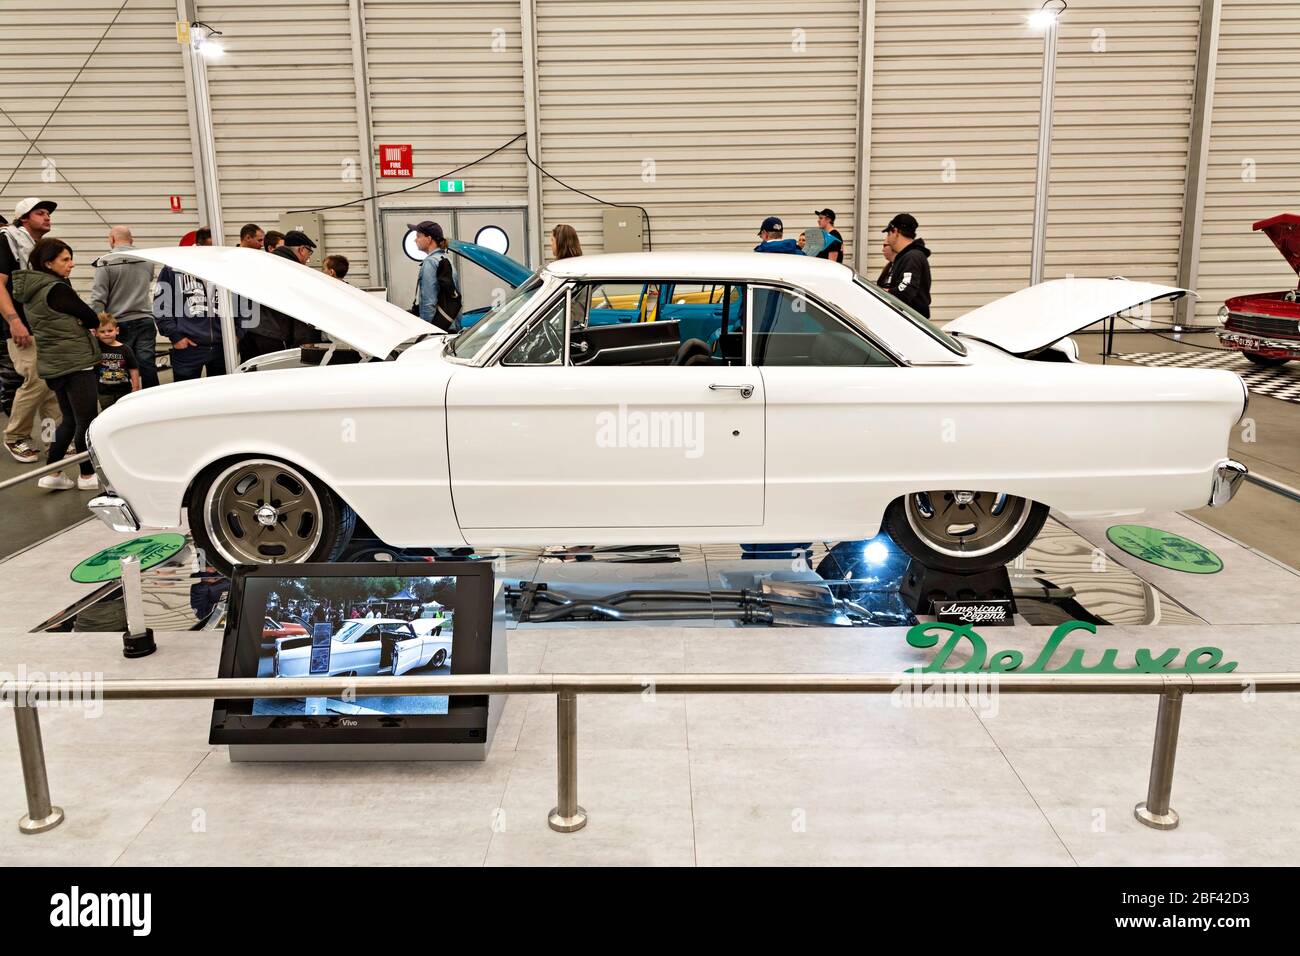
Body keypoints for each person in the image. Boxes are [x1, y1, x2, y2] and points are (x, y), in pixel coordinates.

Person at [11, 237, 101, 490]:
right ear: (48, 263)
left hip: (54, 362)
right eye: (65, 259)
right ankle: (86, 475)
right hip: (75, 360)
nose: (71, 264)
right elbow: (91, 317)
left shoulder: (31, 291)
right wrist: (84, 322)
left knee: (69, 420)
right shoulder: (57, 289)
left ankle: (53, 473)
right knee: (86, 420)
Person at [1, 197, 61, 463]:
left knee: (52, 383)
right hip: (21, 326)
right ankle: (15, 436)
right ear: (24, 218)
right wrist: (14, 320)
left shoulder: (39, 247)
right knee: (36, 378)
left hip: (43, 324)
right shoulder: (7, 240)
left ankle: (53, 441)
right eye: (40, 213)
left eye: (48, 213)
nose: (47, 217)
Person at [88, 226, 158, 388]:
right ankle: (154, 402)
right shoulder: (146, 261)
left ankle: (125, 401)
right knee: (147, 364)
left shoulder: (106, 262)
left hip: (119, 323)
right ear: (131, 240)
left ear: (112, 240)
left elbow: (99, 298)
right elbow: (146, 282)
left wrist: (95, 325)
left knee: (120, 366)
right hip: (145, 320)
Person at [155, 242, 226, 381]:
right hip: (187, 348)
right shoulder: (172, 269)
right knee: (185, 396)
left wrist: (238, 333)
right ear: (200, 245)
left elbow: (243, 302)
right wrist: (176, 337)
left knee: (221, 397)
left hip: (222, 347)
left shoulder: (225, 268)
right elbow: (161, 306)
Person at [240, 231, 316, 359]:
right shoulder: (295, 271)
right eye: (309, 253)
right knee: (276, 375)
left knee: (251, 375)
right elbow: (300, 310)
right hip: (274, 335)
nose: (308, 259)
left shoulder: (260, 263)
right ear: (302, 249)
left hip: (248, 332)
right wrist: (303, 344)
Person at [410, 220, 461, 330]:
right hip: (450, 326)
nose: (415, 240)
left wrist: (428, 332)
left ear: (429, 239)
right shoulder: (446, 259)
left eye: (418, 236)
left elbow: (429, 303)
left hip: (437, 330)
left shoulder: (430, 262)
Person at [880, 213, 932, 317]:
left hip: (910, 323)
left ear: (895, 231)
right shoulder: (904, 257)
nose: (888, 239)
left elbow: (905, 290)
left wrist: (881, 293)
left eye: (888, 234)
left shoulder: (913, 256)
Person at [93, 314, 140, 410]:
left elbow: (133, 368)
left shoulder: (125, 349)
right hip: (104, 392)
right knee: (107, 413)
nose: (107, 334)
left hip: (124, 391)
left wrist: (136, 387)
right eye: (102, 331)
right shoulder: (96, 348)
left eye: (110, 330)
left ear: (117, 330)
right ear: (96, 333)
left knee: (125, 412)